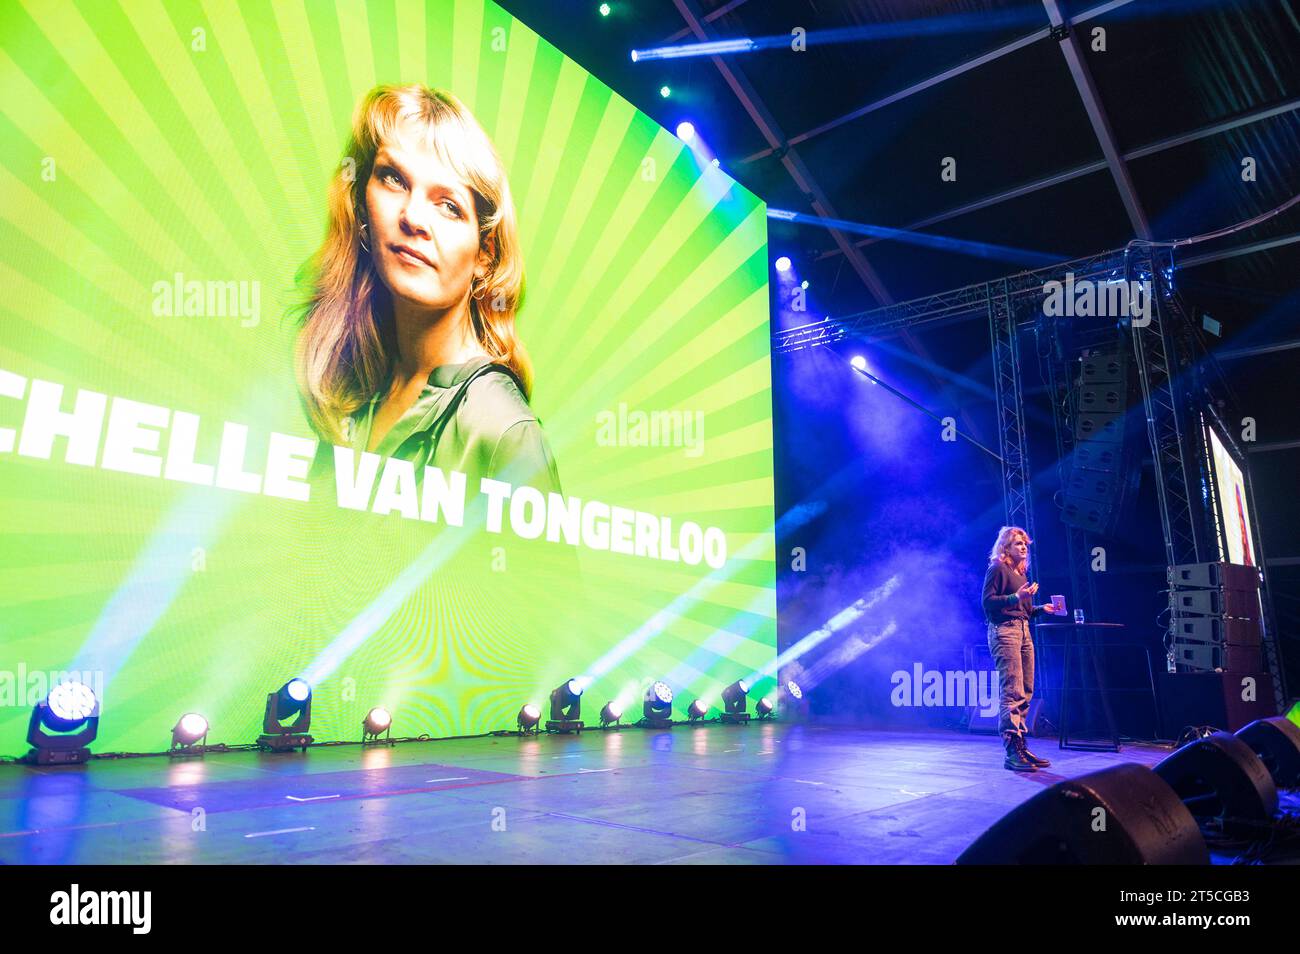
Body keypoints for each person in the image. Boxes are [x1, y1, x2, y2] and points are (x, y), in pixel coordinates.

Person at [295, 84, 559, 497]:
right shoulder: (358, 389)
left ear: (485, 255)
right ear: (362, 203)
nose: (413, 216)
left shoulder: (502, 431)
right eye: (394, 179)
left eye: (448, 205)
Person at [981, 526, 1060, 771]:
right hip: (1005, 631)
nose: (1024, 547)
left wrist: (1040, 609)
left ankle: (1021, 746)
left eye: (1025, 543)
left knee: (1025, 690)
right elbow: (987, 602)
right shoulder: (997, 568)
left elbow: (1022, 610)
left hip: (1024, 630)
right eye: (1018, 543)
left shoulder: (1021, 574)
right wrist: (1016, 597)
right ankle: (1011, 750)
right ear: (1006, 547)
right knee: (1012, 691)